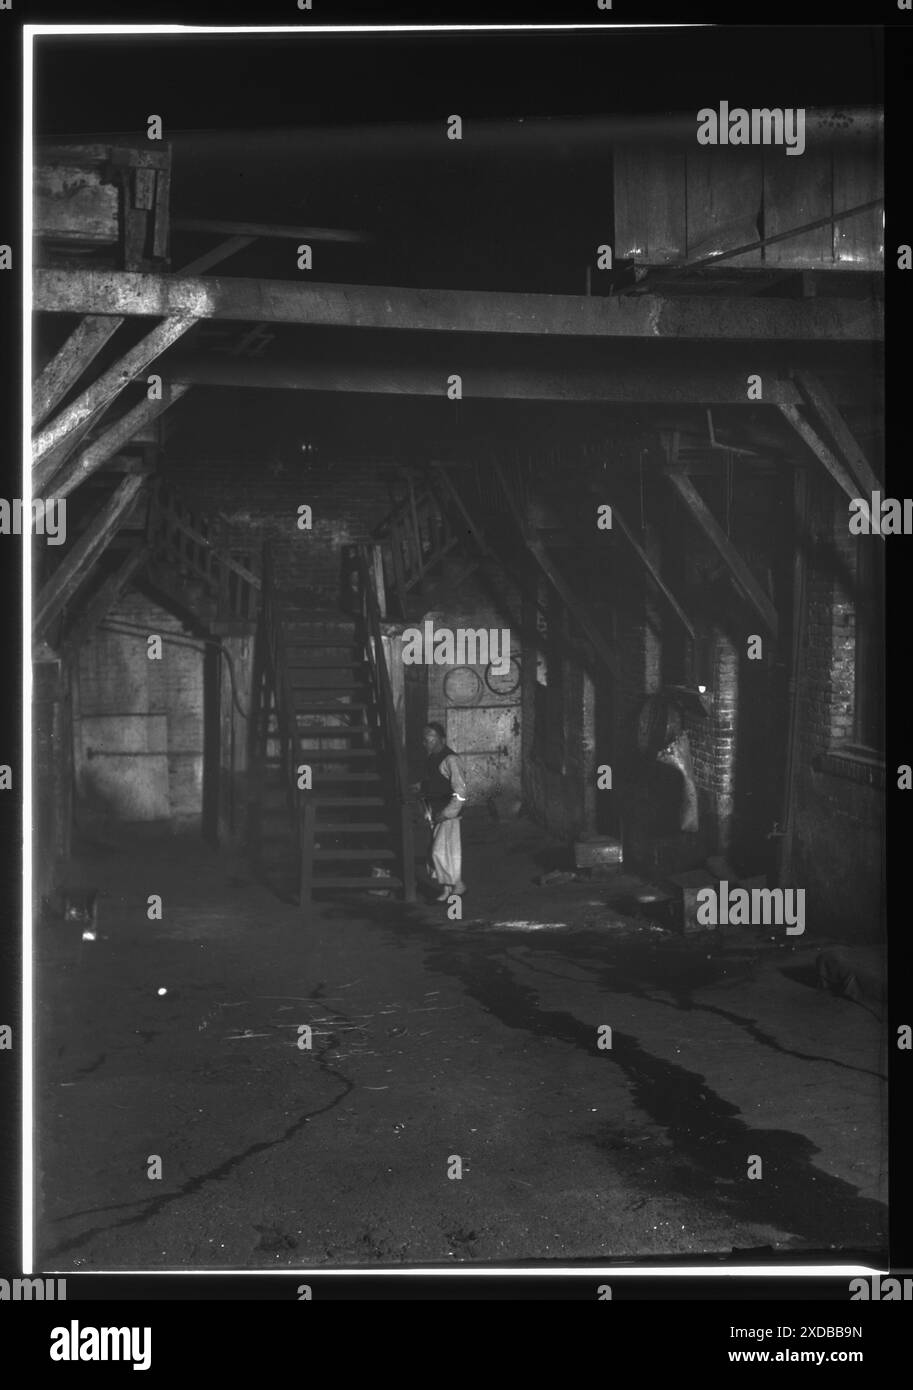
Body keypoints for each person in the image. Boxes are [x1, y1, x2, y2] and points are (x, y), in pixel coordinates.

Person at [417, 722, 467, 901]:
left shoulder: (451, 760)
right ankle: (446, 889)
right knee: (439, 853)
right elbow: (433, 783)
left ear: (442, 739)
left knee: (441, 852)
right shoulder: (432, 758)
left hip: (447, 814)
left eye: (430, 736)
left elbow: (461, 791)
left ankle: (458, 885)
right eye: (425, 737)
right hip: (435, 812)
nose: (426, 740)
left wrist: (447, 813)